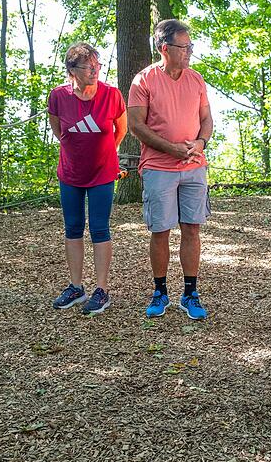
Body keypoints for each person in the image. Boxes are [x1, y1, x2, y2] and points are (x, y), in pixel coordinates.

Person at [128, 20, 213, 320]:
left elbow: (207, 120)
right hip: (158, 167)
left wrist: (201, 143)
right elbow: (136, 125)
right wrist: (170, 148)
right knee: (160, 230)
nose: (190, 51)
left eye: (191, 46)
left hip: (193, 166)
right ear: (165, 49)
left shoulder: (196, 79)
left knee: (192, 228)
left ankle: (190, 293)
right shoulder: (144, 80)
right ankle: (159, 291)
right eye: (184, 46)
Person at [49, 42, 128, 315]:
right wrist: (76, 151)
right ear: (72, 70)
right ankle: (75, 286)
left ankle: (102, 290)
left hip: (103, 173)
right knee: (72, 227)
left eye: (97, 65)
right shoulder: (58, 96)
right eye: (88, 66)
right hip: (70, 173)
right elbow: (59, 129)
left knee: (99, 228)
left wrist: (106, 153)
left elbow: (121, 129)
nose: (95, 70)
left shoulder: (112, 94)